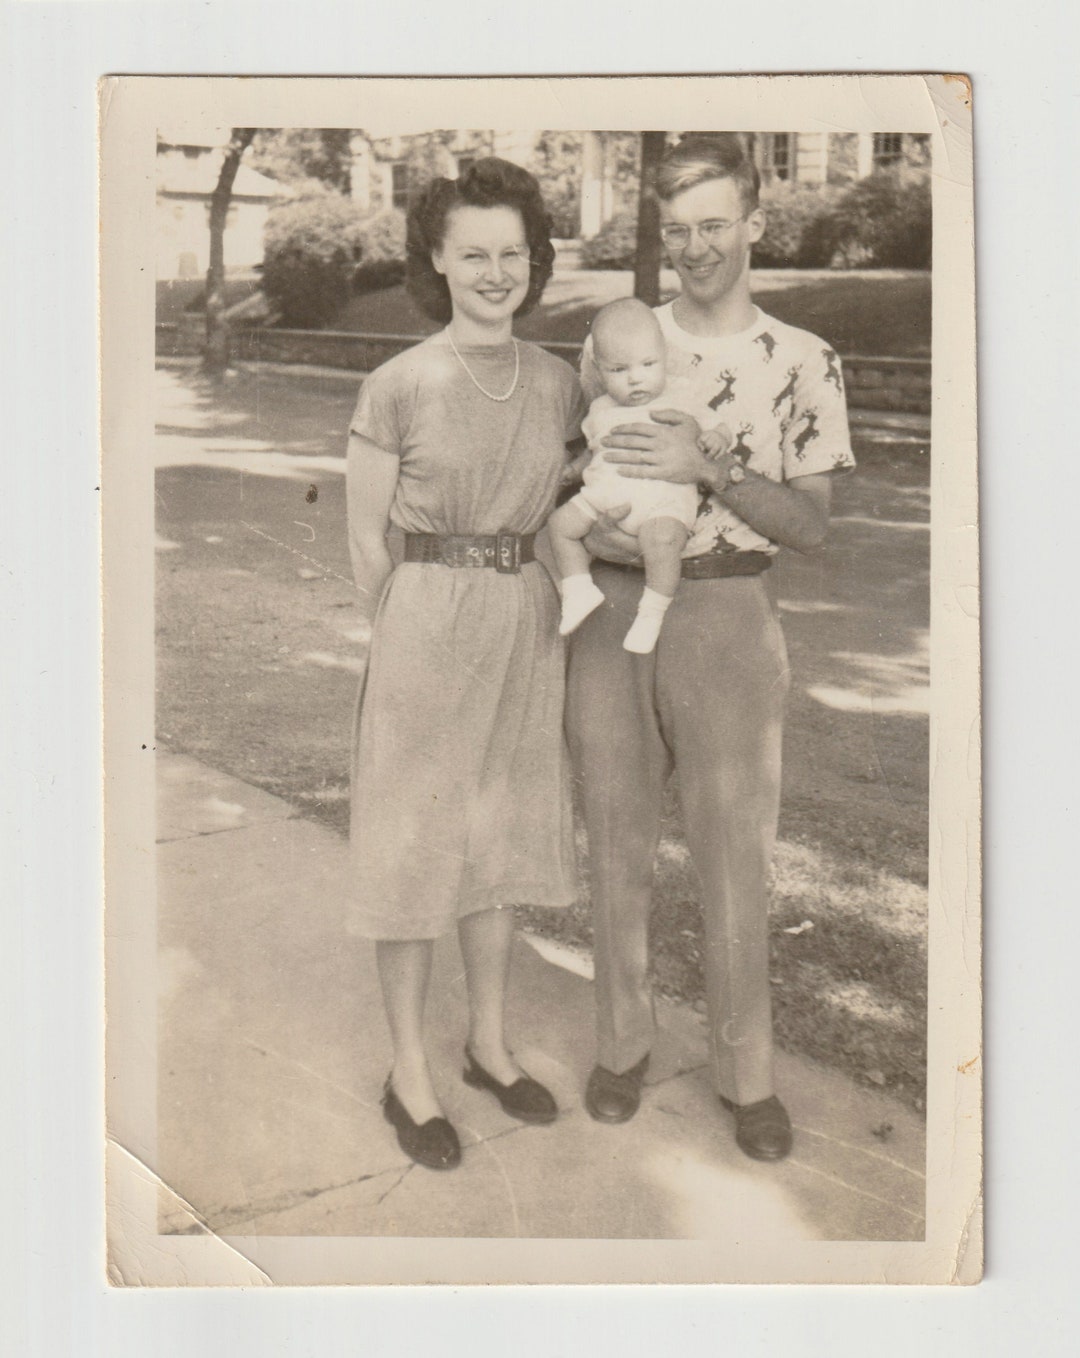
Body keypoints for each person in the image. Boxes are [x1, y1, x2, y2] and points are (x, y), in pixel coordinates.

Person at [566, 134, 855, 1162]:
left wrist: (713, 467)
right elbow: (572, 470)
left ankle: (747, 1075)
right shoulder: (620, 338)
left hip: (729, 615)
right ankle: (622, 1044)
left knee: (735, 855)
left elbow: (811, 526)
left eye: (715, 225)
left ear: (754, 225)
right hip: (612, 615)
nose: (695, 247)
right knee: (614, 841)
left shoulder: (803, 358)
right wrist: (598, 533)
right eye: (677, 228)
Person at [346, 159, 586, 1171]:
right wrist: (416, 633)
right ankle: (408, 1070)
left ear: (534, 261)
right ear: (437, 260)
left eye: (512, 254)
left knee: (498, 842)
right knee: (411, 849)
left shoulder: (561, 383)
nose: (496, 273)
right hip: (426, 624)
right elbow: (366, 545)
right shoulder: (399, 383)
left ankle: (488, 1044)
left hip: (524, 620)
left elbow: (576, 509)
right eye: (473, 253)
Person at [549, 297, 731, 654]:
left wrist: (716, 439)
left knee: (662, 543)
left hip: (662, 504)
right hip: (602, 498)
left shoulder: (681, 395)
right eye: (619, 370)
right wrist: (571, 472)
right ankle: (578, 589)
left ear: (665, 355)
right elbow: (594, 451)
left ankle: (651, 614)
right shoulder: (600, 408)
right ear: (599, 370)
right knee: (560, 526)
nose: (635, 378)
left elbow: (719, 426)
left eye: (648, 364)